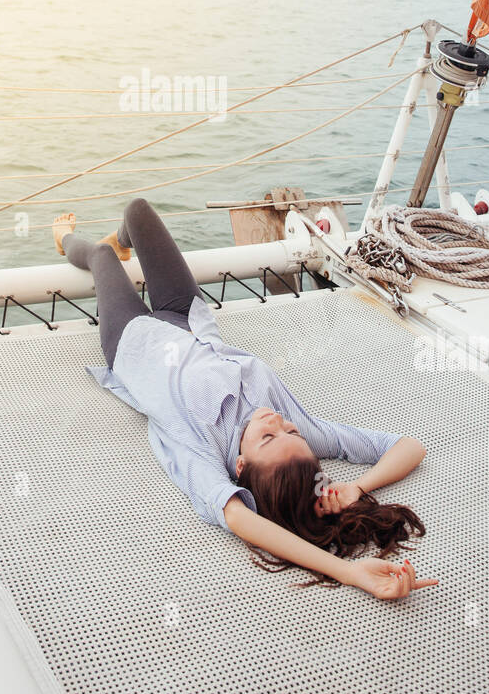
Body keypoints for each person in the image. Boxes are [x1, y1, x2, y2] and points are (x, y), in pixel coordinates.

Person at [54, 197, 437, 601]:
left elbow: (239, 517)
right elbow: (409, 447)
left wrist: (347, 572)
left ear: (240, 464)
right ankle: (123, 241)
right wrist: (358, 487)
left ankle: (65, 239)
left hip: (134, 341)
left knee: (99, 256)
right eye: (291, 430)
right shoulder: (297, 436)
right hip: (189, 320)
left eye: (268, 437)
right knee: (137, 212)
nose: (276, 420)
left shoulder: (200, 451)